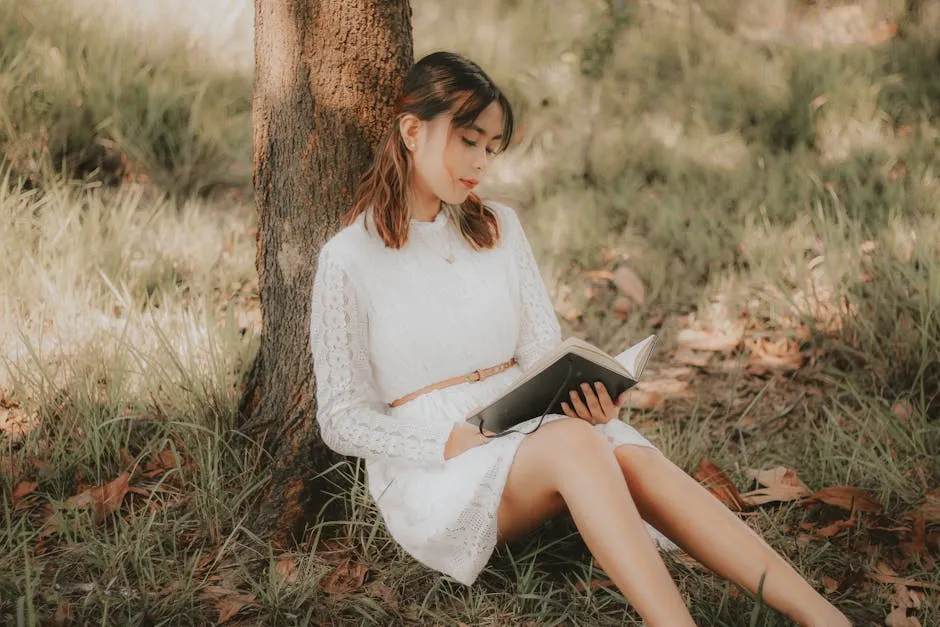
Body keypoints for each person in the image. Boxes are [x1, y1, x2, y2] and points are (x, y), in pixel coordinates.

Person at [308, 51, 850, 626]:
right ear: (412, 130)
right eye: (469, 140)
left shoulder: (498, 227)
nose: (481, 162)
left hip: (531, 424)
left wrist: (583, 397)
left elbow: (544, 351)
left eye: (491, 147)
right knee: (575, 445)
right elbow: (340, 418)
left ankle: (824, 617)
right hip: (438, 466)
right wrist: (446, 442)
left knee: (631, 456)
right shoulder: (349, 258)